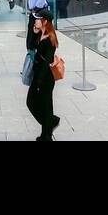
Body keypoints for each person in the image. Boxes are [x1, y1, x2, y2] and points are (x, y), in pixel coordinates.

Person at [26, 8, 61, 141]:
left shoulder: (50, 40)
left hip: (45, 79)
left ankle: (46, 134)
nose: (35, 21)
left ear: (45, 22)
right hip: (38, 76)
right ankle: (50, 123)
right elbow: (29, 47)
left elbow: (47, 63)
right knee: (32, 103)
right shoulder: (40, 34)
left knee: (44, 106)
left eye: (38, 19)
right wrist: (34, 33)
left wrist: (39, 82)